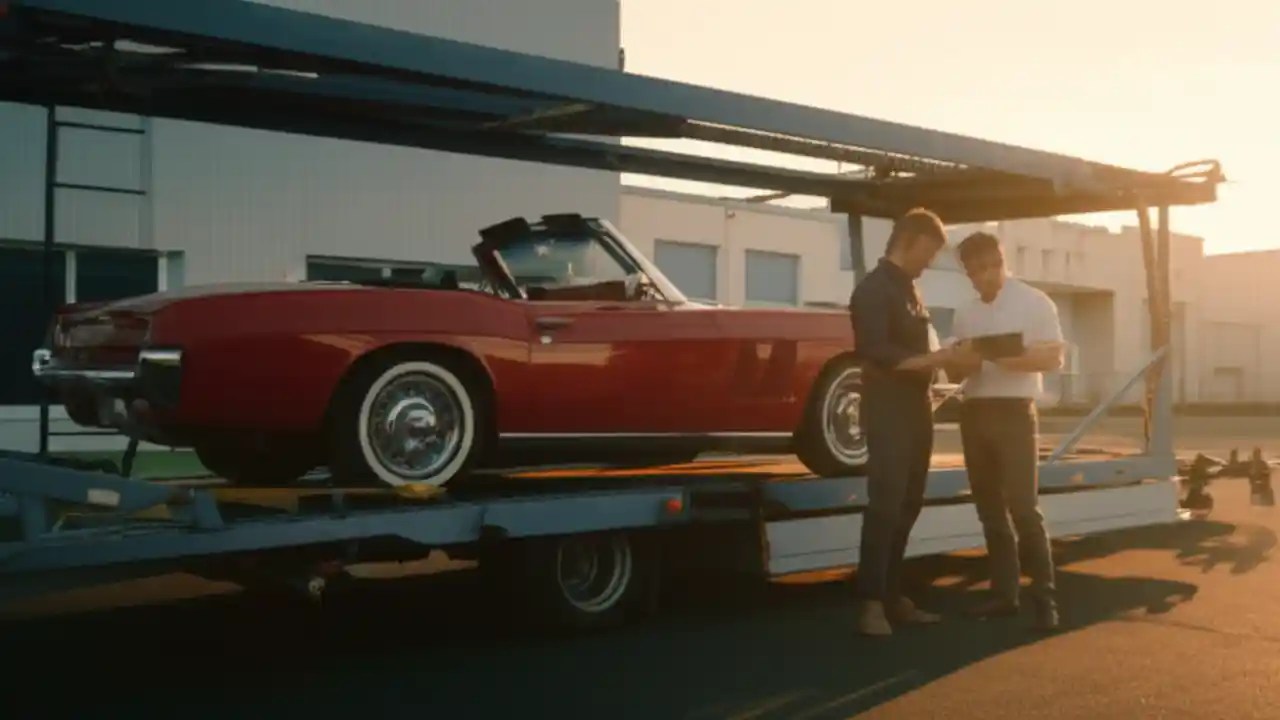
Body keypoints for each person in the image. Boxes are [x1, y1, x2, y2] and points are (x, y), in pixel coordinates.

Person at [944, 230, 1065, 632]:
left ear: (1001, 260)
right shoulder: (965, 312)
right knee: (990, 510)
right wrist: (959, 360)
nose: (984, 277)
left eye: (989, 266)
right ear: (967, 273)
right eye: (975, 271)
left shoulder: (1034, 302)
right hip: (975, 411)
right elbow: (957, 369)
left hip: (1014, 412)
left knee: (1024, 509)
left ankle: (1045, 599)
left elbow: (1053, 356)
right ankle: (1004, 595)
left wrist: (999, 355)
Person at [848, 207, 956, 637]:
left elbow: (917, 349)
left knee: (910, 502)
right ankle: (870, 603)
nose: (929, 263)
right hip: (888, 407)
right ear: (906, 241)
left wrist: (946, 359)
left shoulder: (911, 290)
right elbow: (878, 352)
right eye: (927, 252)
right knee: (885, 504)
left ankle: (892, 595)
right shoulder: (873, 291)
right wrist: (938, 358)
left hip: (916, 407)